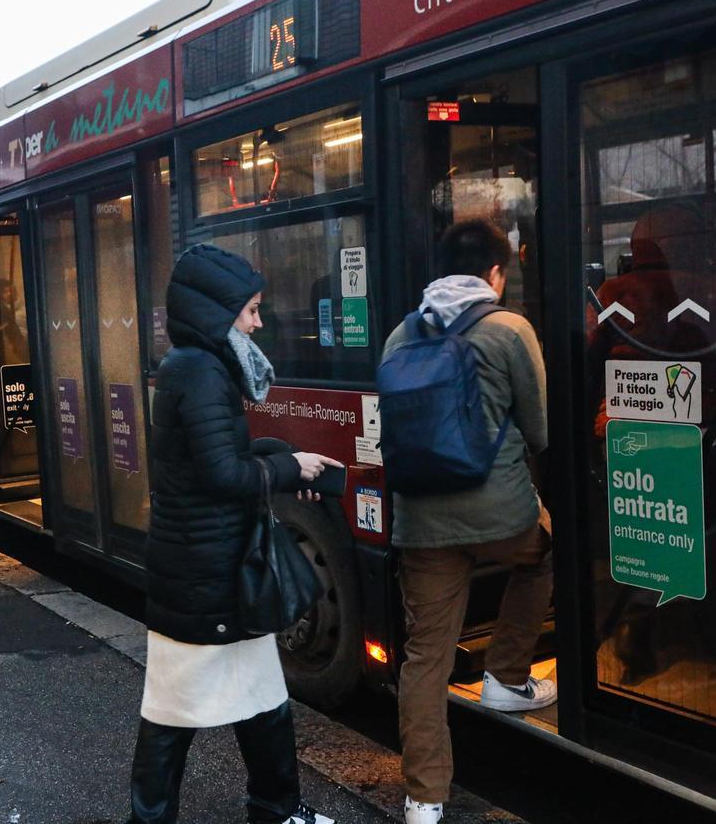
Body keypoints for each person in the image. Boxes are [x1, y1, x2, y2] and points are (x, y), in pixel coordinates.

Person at [127, 244, 339, 824]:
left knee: (262, 698)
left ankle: (278, 808)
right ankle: (158, 818)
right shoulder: (199, 371)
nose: (258, 322)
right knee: (172, 710)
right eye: (250, 310)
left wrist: (282, 457)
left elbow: (212, 458)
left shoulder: (195, 366)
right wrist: (287, 470)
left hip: (216, 565)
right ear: (217, 313)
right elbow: (222, 475)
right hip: (207, 570)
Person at [384, 221, 554, 824]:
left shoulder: (400, 336)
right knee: (543, 554)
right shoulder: (510, 328)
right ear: (496, 274)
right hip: (502, 514)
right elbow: (539, 429)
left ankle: (424, 800)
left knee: (425, 657)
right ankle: (506, 677)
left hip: (421, 523)